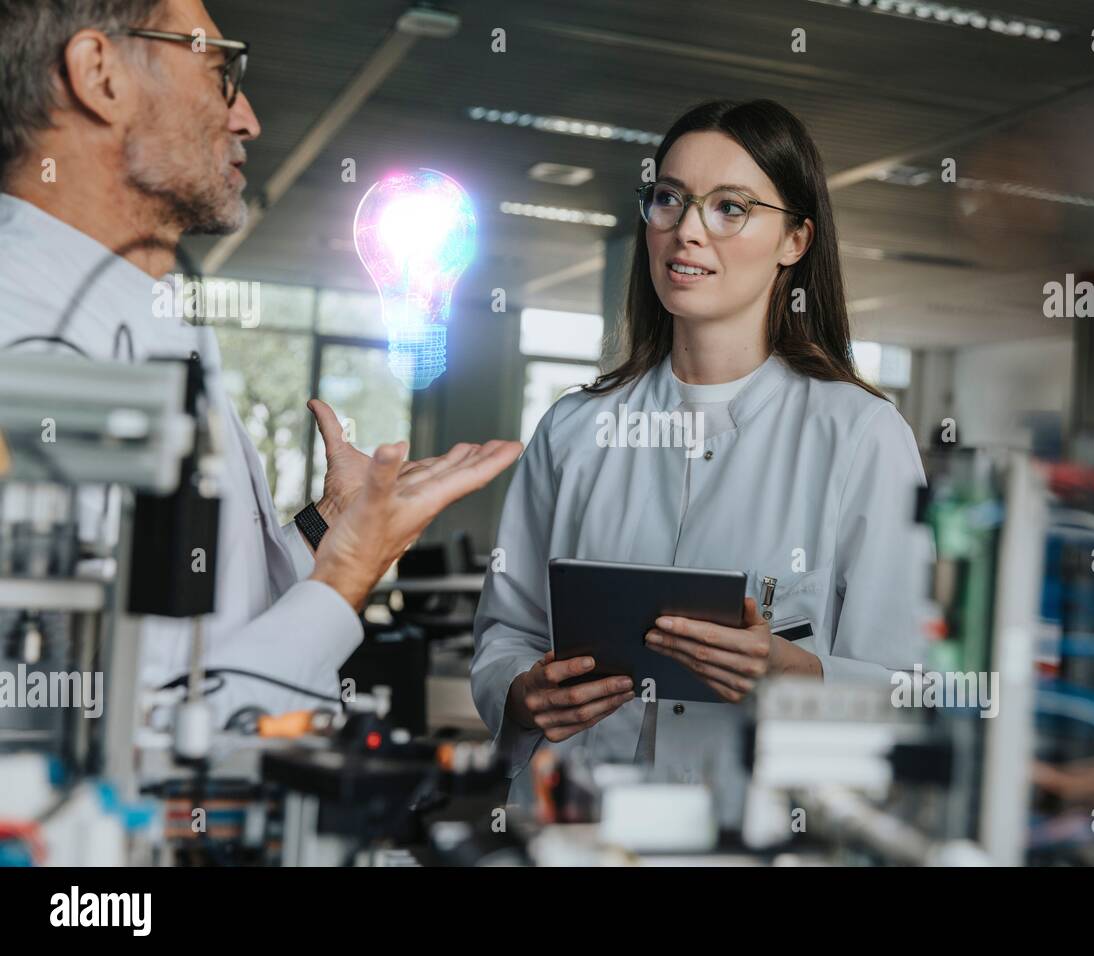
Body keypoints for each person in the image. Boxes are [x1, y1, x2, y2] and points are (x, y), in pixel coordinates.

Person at [0, 0, 521, 721]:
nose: (247, 117)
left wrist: (328, 530)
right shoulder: (23, 328)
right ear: (100, 76)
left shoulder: (151, 310)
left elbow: (196, 626)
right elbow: (114, 723)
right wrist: (346, 577)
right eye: (220, 71)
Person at [472, 99, 931, 812]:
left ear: (795, 240)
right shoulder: (574, 428)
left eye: (730, 208)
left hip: (758, 833)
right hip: (576, 830)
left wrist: (793, 671)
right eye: (670, 200)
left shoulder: (861, 435)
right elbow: (509, 631)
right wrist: (521, 693)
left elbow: (909, 691)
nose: (686, 230)